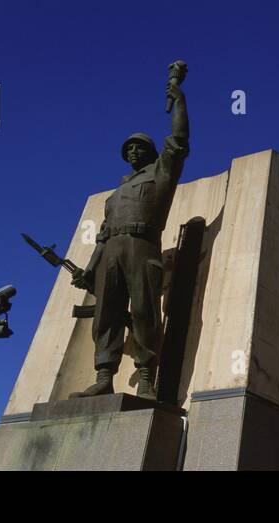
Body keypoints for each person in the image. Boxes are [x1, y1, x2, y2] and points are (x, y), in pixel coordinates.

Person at [70, 60, 190, 400]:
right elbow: (103, 234)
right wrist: (90, 268)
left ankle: (146, 375)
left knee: (143, 312)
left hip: (142, 245)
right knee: (106, 314)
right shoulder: (115, 194)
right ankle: (104, 375)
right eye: (128, 149)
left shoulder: (162, 173)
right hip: (112, 249)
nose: (132, 151)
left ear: (151, 152)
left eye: (138, 147)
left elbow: (179, 140)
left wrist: (178, 99)